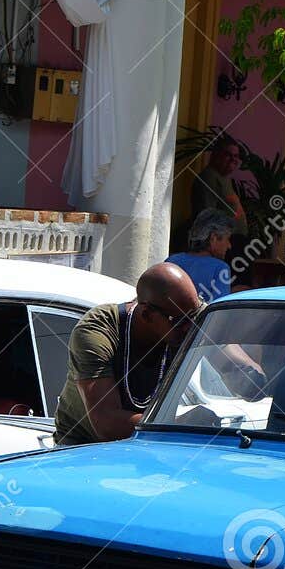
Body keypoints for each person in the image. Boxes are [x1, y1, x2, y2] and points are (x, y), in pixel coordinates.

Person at [54, 263, 204, 446]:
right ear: (148, 315)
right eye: (181, 321)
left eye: (195, 316)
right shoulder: (98, 331)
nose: (191, 327)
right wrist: (181, 424)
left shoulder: (181, 324)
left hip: (149, 446)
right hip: (83, 453)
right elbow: (106, 424)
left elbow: (229, 340)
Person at [166, 209, 236, 302]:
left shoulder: (171, 261)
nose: (229, 245)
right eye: (227, 239)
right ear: (213, 238)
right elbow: (219, 311)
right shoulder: (220, 268)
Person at [191, 136, 246, 227]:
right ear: (216, 155)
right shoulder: (209, 178)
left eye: (236, 156)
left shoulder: (223, 177)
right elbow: (207, 219)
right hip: (219, 239)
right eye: (228, 155)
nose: (233, 159)